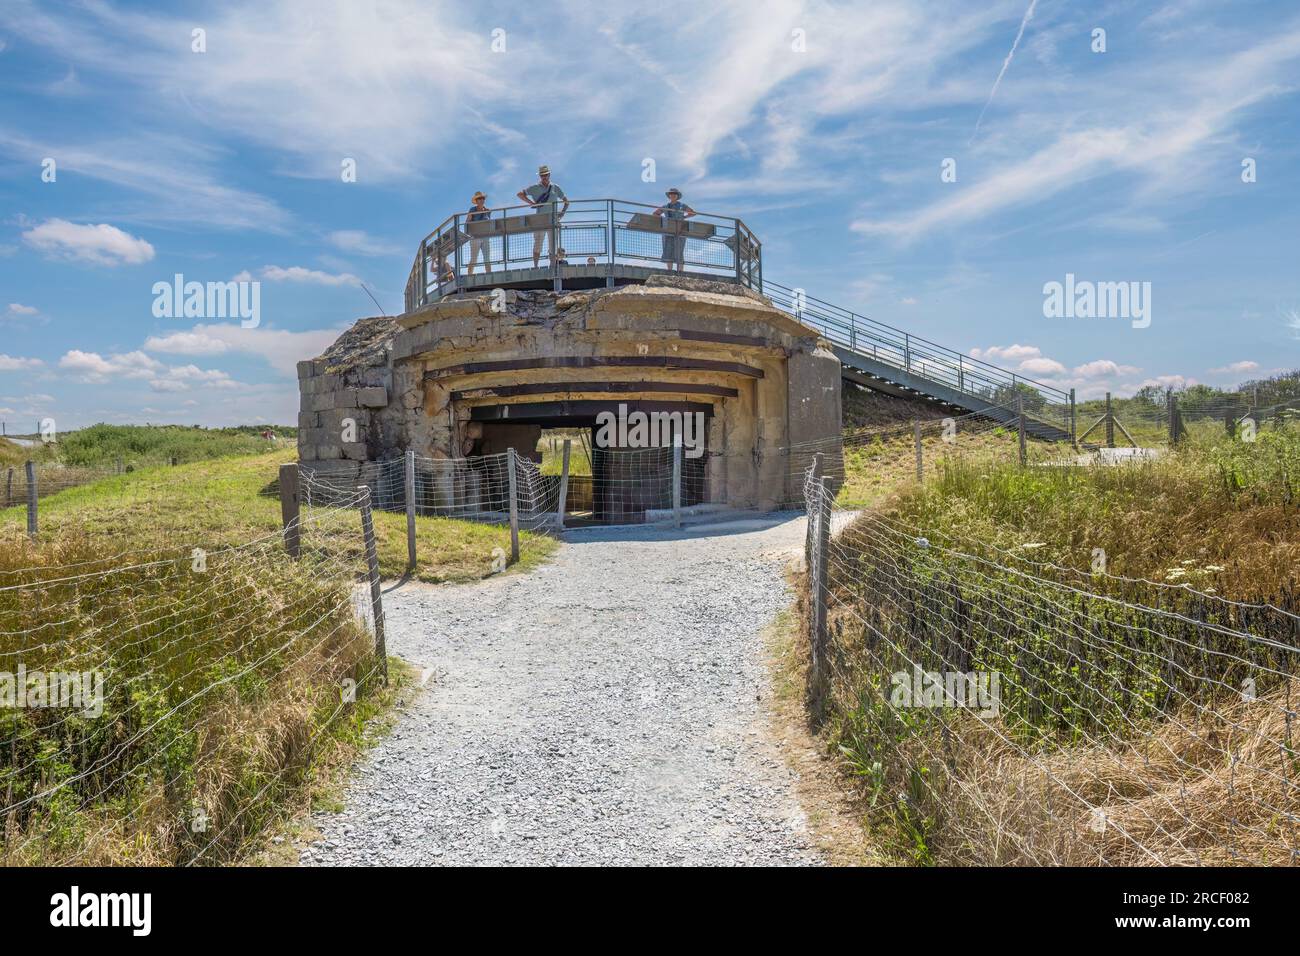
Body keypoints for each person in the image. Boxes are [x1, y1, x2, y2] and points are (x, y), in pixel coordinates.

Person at [516, 165, 569, 267]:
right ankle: (536, 267)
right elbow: (520, 194)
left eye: (545, 175)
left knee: (552, 246)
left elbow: (566, 202)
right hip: (539, 220)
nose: (544, 177)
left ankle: (552, 267)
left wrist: (562, 213)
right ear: (540, 176)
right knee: (537, 244)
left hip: (553, 220)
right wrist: (531, 203)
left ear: (549, 175)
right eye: (542, 175)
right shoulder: (534, 187)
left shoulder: (555, 187)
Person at [653, 187, 696, 271]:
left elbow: (693, 213)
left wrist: (684, 217)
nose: (672, 195)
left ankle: (680, 271)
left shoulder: (682, 206)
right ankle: (669, 271)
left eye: (674, 194)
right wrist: (664, 219)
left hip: (680, 231)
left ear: (677, 196)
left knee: (679, 250)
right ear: (669, 196)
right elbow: (655, 213)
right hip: (668, 231)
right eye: (671, 194)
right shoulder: (665, 206)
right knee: (668, 250)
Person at [466, 191, 492, 275]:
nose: (481, 200)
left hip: (485, 236)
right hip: (475, 236)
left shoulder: (488, 210)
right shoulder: (472, 210)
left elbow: (489, 223)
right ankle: (469, 275)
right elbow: (467, 222)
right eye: (479, 198)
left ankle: (489, 275)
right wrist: (468, 234)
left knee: (487, 258)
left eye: (483, 198)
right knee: (474, 258)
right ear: (476, 201)